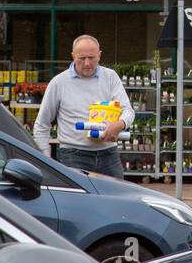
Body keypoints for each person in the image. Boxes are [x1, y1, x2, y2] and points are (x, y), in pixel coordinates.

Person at [33, 35, 134, 178]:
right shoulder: (59, 82)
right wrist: (45, 158)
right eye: (81, 58)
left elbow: (128, 110)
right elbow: (42, 124)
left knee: (117, 198)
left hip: (108, 154)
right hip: (73, 155)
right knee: (77, 200)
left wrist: (120, 124)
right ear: (73, 56)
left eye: (92, 57)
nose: (87, 63)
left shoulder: (110, 77)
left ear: (99, 55)